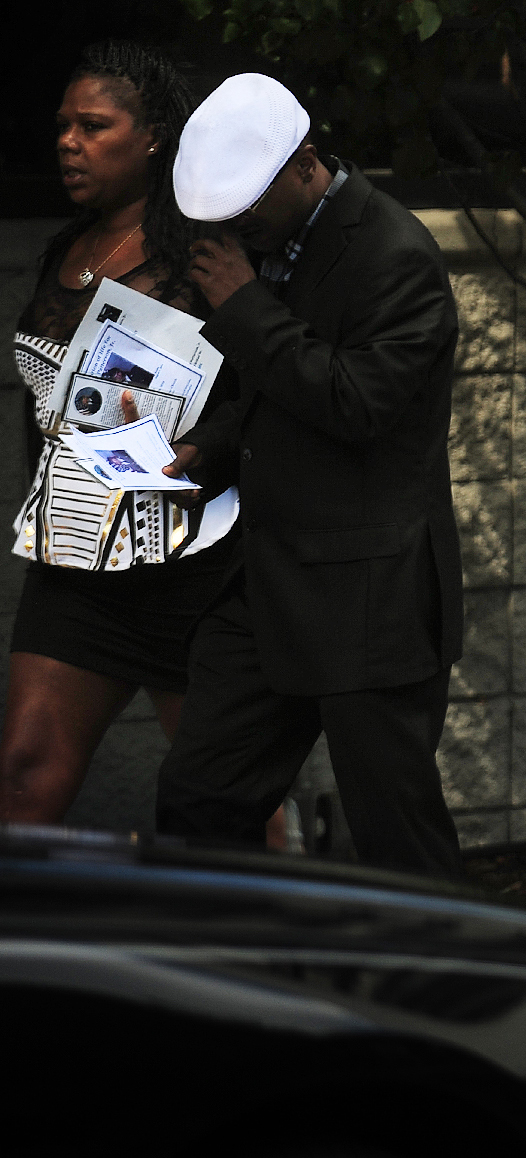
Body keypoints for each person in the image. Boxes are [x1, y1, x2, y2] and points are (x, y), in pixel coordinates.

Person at [154, 74, 464, 875]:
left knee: (395, 835)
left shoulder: (397, 254)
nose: (234, 223)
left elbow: (360, 405)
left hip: (367, 599)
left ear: (306, 164)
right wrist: (212, 449)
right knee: (198, 800)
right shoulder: (268, 244)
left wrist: (247, 305)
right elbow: (272, 390)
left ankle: (443, 992)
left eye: (247, 205)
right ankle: (221, 987)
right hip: (268, 586)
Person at [0, 42, 242, 826]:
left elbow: (270, 396)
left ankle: (260, 947)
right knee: (24, 772)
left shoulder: (210, 257)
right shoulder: (63, 251)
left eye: (93, 125)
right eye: (64, 125)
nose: (68, 141)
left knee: (227, 808)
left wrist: (202, 449)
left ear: (152, 138)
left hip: (189, 573)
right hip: (77, 569)